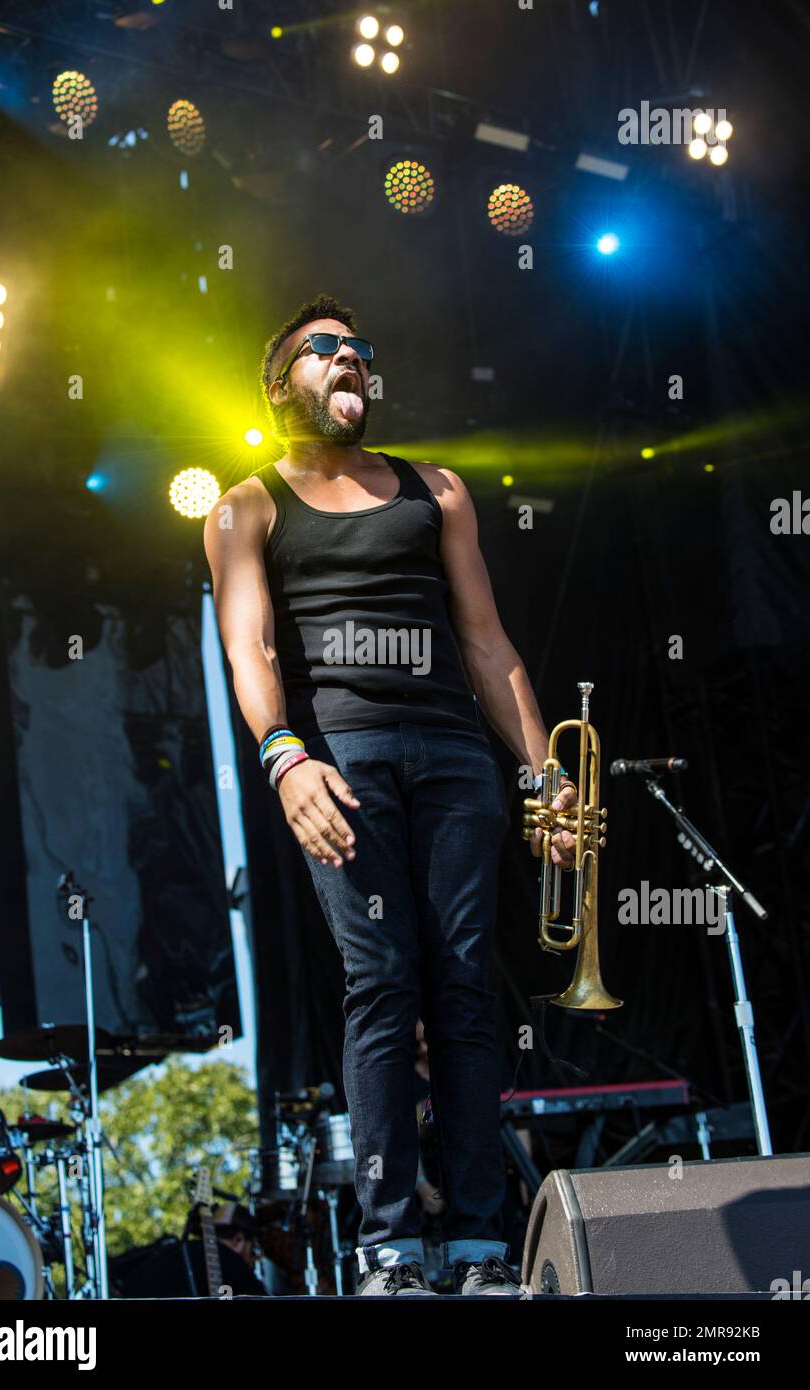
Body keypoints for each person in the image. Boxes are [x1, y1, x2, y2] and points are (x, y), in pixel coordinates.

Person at [204, 293, 577, 1297]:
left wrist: (542, 771)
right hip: (344, 762)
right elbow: (250, 648)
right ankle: (387, 1248)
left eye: (360, 350)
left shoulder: (437, 490)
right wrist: (285, 757)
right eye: (324, 350)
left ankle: (478, 1244)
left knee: (460, 984)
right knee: (382, 983)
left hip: (457, 757)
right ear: (280, 385)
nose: (349, 360)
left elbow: (486, 641)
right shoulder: (245, 504)